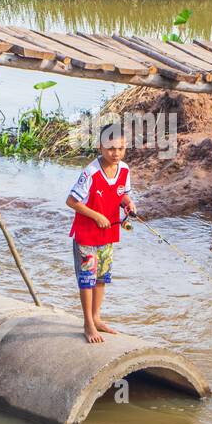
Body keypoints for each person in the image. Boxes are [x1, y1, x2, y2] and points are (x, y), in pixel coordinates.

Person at [66, 125, 134, 343]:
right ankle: (87, 323)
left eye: (121, 148)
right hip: (87, 235)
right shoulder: (90, 172)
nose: (116, 153)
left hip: (109, 234)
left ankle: (97, 317)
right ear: (100, 147)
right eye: (111, 149)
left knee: (102, 278)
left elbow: (123, 194)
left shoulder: (124, 170)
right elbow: (71, 201)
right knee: (87, 279)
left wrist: (128, 204)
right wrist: (96, 216)